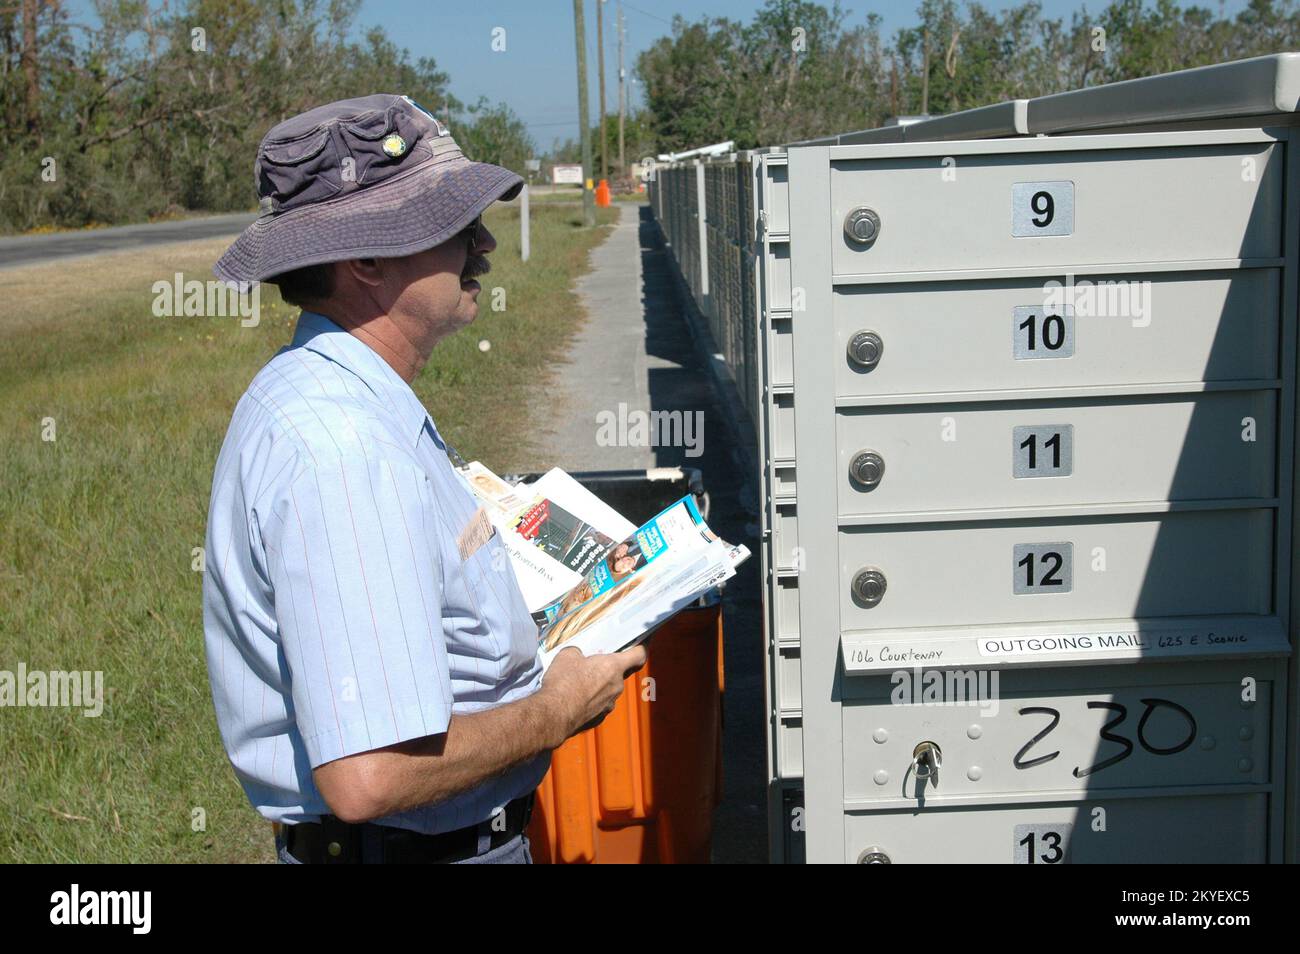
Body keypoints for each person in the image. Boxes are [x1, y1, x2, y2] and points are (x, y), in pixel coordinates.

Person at [202, 94, 645, 864]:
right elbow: (369, 776)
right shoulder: (343, 451)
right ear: (366, 261)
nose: (483, 244)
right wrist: (558, 710)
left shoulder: (338, 397)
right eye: (456, 225)